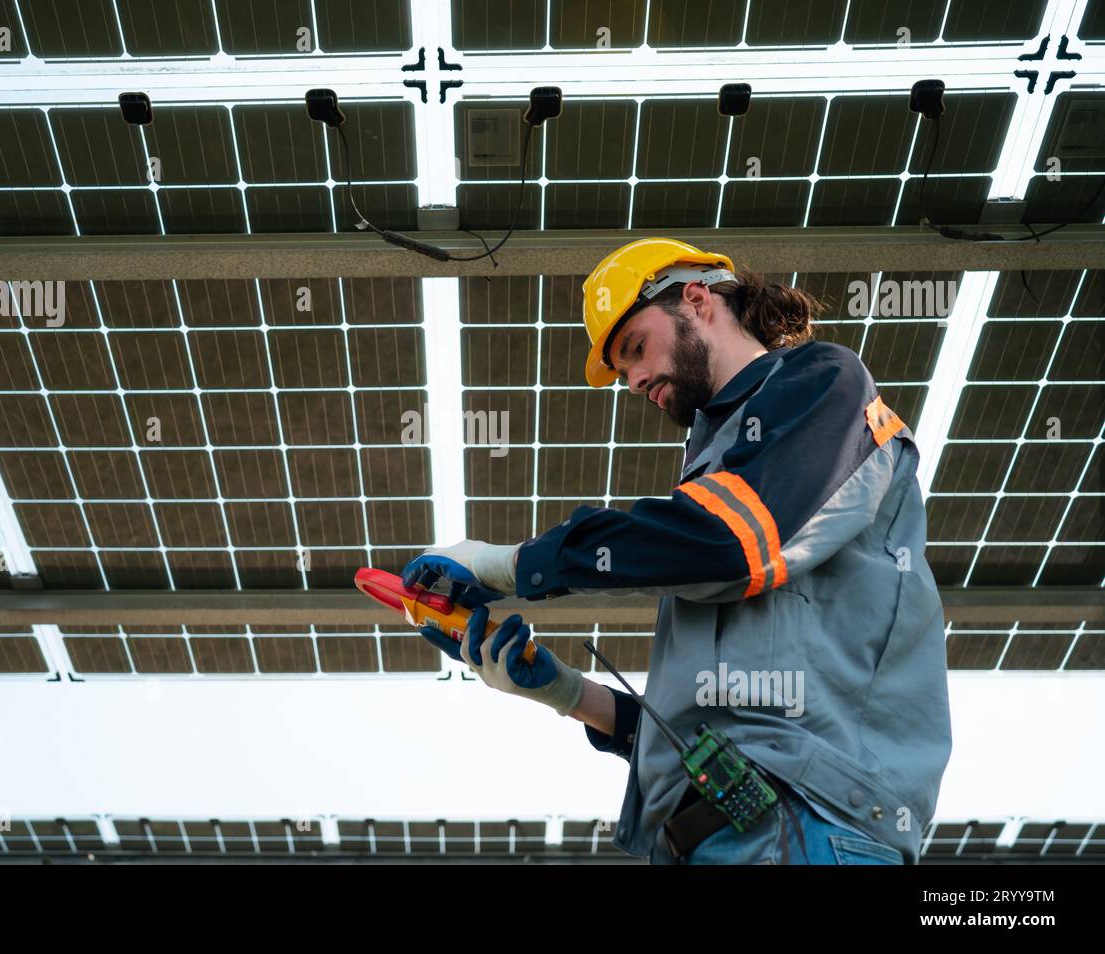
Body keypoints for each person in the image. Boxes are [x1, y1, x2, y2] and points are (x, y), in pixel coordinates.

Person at [401, 237, 952, 865]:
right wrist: (565, 692)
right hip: (723, 834)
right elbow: (706, 728)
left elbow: (730, 545)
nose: (633, 381)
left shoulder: (822, 382)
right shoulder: (713, 473)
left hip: (810, 822)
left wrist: (509, 565)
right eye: (623, 370)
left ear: (697, 299)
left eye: (635, 348)